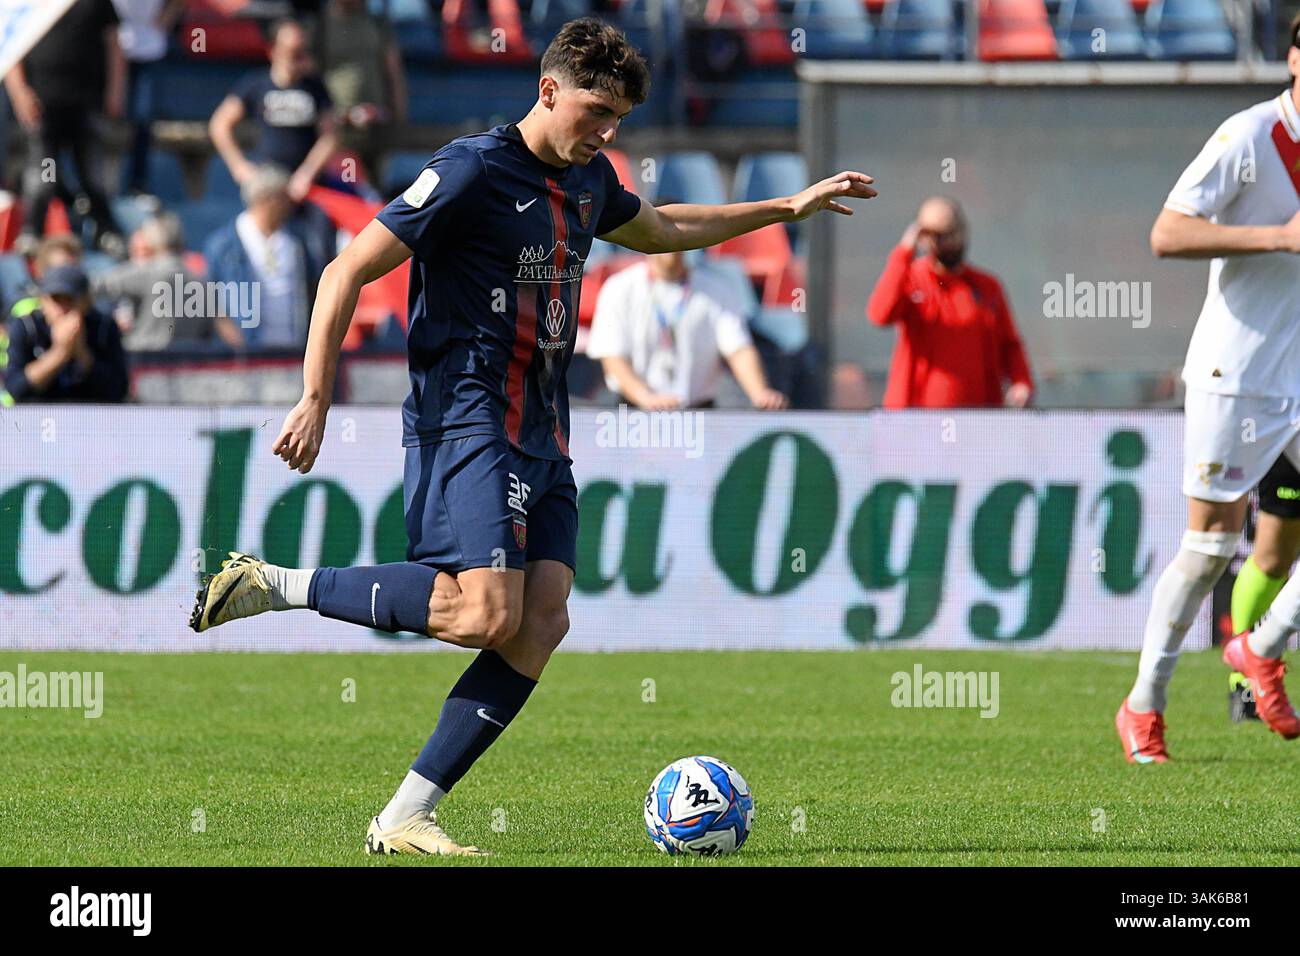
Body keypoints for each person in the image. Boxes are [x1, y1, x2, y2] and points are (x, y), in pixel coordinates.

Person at [187, 16, 875, 856]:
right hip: (465, 418)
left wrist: (785, 206)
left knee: (541, 621)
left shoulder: (590, 182)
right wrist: (315, 396)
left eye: (618, 116)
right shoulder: (470, 170)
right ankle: (271, 583)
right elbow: (344, 271)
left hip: (544, 430)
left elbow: (662, 227)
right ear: (548, 90)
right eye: (595, 109)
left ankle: (405, 815)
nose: (607, 130)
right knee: (483, 612)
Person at [1116, 16, 1300, 761]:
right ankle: (1143, 705)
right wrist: (1279, 236)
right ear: (1293, 58)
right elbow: (1167, 233)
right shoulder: (1249, 137)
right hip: (1239, 374)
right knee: (1207, 548)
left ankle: (1261, 647)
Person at [586, 230, 788, 411]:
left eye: (676, 232)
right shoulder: (619, 288)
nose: (669, 242)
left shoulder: (717, 290)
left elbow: (738, 349)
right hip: (632, 413)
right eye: (661, 231)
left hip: (697, 415)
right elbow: (612, 358)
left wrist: (759, 393)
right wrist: (646, 398)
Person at [866, 197, 1033, 409]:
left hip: (978, 418)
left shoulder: (986, 287)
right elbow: (879, 314)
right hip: (914, 420)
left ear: (964, 230)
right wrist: (904, 251)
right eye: (937, 235)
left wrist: (1021, 381)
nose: (947, 242)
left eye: (952, 232)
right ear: (923, 237)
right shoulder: (911, 279)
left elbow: (1009, 344)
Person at [4, 0, 127, 255]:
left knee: (92, 175)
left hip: (86, 102)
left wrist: (116, 90)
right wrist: (19, 93)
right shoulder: (31, 4)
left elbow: (114, 44)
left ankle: (105, 230)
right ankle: (32, 233)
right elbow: (12, 43)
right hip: (43, 105)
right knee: (43, 177)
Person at [209, 19, 337, 203]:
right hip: (269, 184)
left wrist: (307, 173)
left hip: (309, 186)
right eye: (291, 52)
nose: (297, 58)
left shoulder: (315, 86)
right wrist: (239, 168)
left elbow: (330, 135)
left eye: (301, 52)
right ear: (273, 50)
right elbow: (220, 124)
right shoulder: (255, 84)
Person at [203, 166, 323, 350]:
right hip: (249, 355)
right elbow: (210, 300)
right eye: (284, 198)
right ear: (267, 200)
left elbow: (312, 288)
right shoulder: (224, 244)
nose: (290, 204)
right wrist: (240, 349)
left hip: (294, 350)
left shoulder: (299, 240)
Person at [94, 213, 245, 351]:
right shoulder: (201, 283)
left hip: (142, 364)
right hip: (185, 366)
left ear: (153, 243)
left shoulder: (146, 273)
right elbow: (225, 330)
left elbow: (93, 286)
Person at [310, 0, 407, 185]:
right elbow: (312, 73)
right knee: (345, 190)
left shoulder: (377, 23)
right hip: (337, 130)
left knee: (375, 194)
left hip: (376, 126)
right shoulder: (321, 26)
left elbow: (394, 73)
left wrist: (397, 118)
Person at [4, 263, 129, 403]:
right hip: (38, 420)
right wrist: (59, 353)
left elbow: (118, 390)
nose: (63, 309)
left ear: (85, 302)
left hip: (91, 419)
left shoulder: (103, 328)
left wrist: (82, 355)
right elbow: (15, 388)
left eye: (69, 300)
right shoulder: (27, 327)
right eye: (56, 300)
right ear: (43, 301)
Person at [113, 0, 185, 195]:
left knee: (144, 117)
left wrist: (164, 21)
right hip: (114, 50)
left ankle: (137, 184)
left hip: (151, 51)